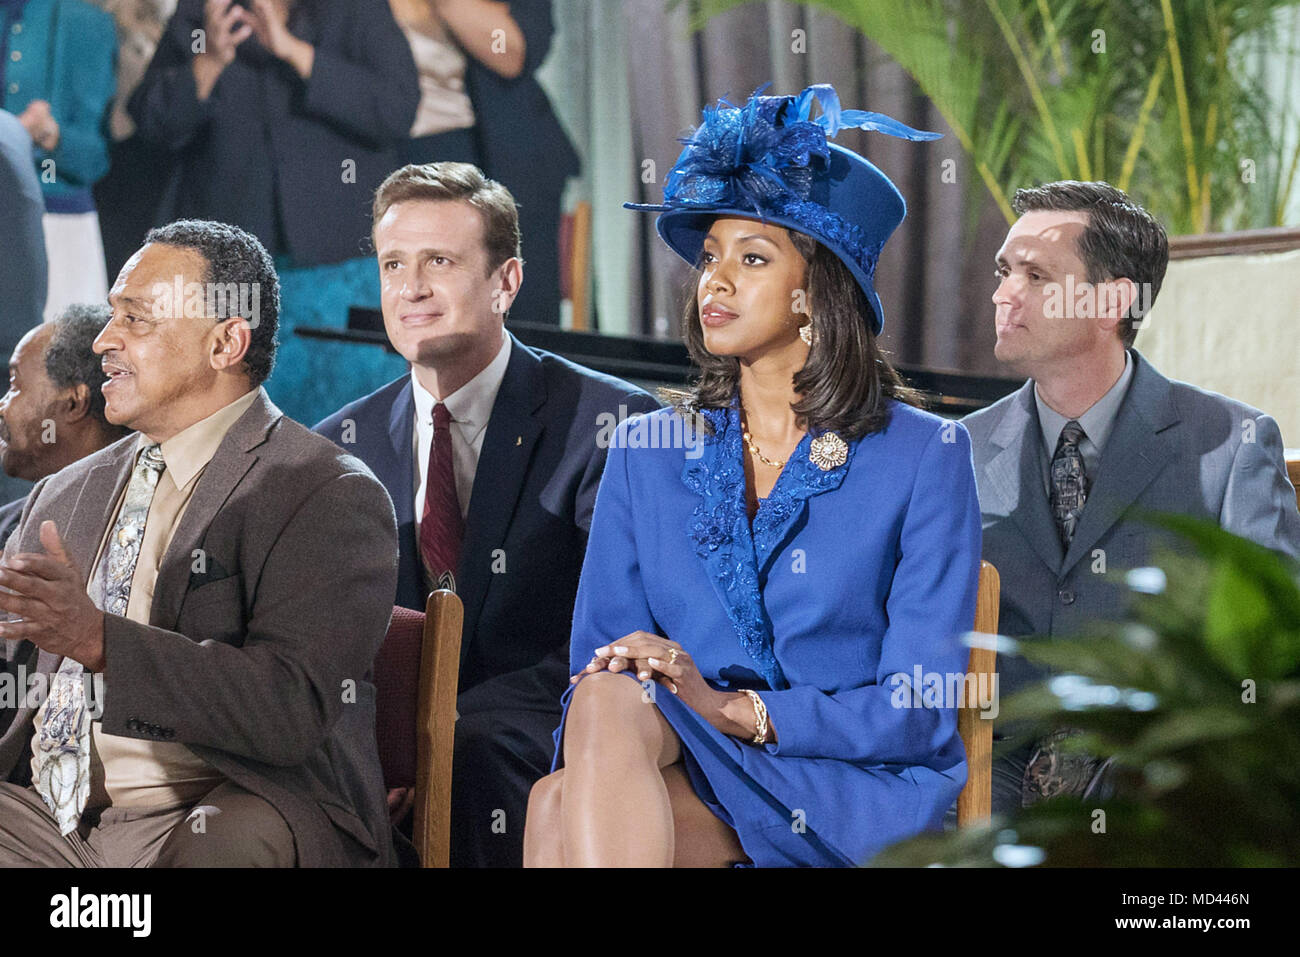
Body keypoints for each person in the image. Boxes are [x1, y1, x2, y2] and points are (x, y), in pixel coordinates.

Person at [523, 85, 982, 867]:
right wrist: (678, 693)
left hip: (850, 786)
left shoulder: (924, 456)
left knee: (555, 806)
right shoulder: (646, 449)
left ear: (819, 290)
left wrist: (740, 709)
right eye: (709, 257)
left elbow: (921, 708)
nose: (716, 281)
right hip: (683, 759)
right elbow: (598, 660)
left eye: (753, 257)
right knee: (603, 698)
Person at [0, 219, 399, 867]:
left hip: (222, 803)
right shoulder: (65, 491)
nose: (105, 340)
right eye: (111, 316)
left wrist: (101, 640)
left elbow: (287, 710)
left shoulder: (323, 491)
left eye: (137, 319)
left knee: (226, 843)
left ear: (225, 343)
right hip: (48, 816)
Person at [314, 161, 657, 867]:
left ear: (507, 281)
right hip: (390, 737)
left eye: (438, 261)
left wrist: (435, 729)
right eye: (394, 264)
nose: (410, 289)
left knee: (471, 750)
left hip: (549, 722)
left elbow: (619, 628)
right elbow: (327, 636)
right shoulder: (336, 447)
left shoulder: (612, 423)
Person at [963, 180, 1300, 814]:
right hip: (986, 776)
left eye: (1035, 275)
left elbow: (1270, 649)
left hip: (1161, 784)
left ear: (1113, 299)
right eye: (1005, 270)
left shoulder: (1233, 445)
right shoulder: (956, 451)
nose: (1003, 294)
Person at [128, 0, 421, 425]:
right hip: (231, 270)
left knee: (354, 421)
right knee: (236, 423)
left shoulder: (356, 9)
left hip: (341, 262)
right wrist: (207, 62)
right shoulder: (202, 13)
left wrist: (293, 51)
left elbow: (396, 109)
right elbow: (154, 125)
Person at [388, 0, 579, 326]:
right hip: (393, 156)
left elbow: (513, 54)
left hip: (504, 154)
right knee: (422, 317)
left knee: (521, 322)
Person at [0, 0, 117, 322]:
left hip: (59, 227)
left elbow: (94, 158)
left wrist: (49, 135)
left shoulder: (85, 23)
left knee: (61, 362)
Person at [0, 304, 133, 546]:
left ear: (73, 403)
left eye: (15, 384)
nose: (2, 407)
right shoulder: (9, 524)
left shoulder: (135, 529)